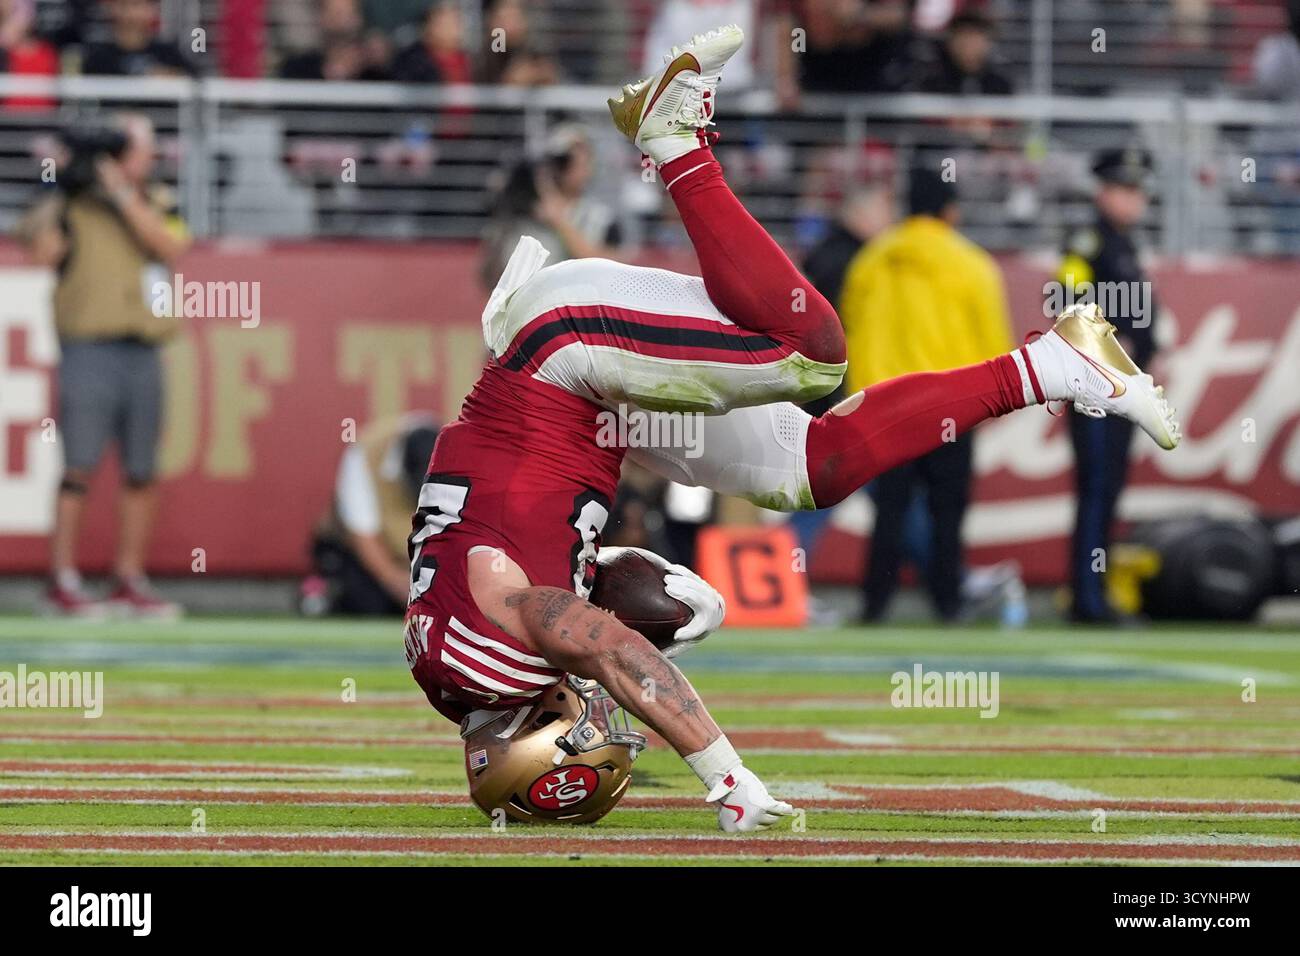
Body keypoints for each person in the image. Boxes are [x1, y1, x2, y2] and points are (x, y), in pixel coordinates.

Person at [405, 25, 1180, 832]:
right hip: (590, 410)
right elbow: (542, 556)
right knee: (811, 467)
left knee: (809, 354)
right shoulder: (456, 671)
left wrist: (724, 772)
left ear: (544, 739)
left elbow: (604, 646)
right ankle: (1053, 367)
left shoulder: (484, 658)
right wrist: (651, 592)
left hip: (561, 355)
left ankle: (673, 140)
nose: (601, 724)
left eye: (587, 738)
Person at [16, 114, 191, 617]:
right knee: (78, 466)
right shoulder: (72, 203)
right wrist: (67, 181)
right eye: (134, 149)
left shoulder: (155, 200)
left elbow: (171, 244)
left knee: (142, 469)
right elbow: (42, 250)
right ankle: (63, 578)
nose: (143, 159)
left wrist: (120, 195)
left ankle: (128, 576)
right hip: (88, 346)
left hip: (144, 348)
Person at [838, 167, 1014, 622]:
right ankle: (948, 603)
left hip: (887, 408)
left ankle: (875, 605)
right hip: (952, 407)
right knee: (948, 513)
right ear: (950, 209)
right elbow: (995, 347)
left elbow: (848, 331)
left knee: (890, 512)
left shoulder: (871, 261)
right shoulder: (974, 265)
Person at [1061, 148, 1161, 624]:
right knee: (1097, 488)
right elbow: (1065, 302)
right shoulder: (1089, 243)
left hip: (1119, 388)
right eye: (1127, 190)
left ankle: (1093, 591)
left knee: (1108, 488)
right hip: (1095, 388)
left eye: (1139, 190)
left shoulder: (1122, 244)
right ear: (1104, 192)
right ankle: (1086, 597)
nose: (1136, 200)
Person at [310, 415, 440, 616]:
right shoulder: (366, 453)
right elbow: (364, 536)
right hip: (364, 553)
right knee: (368, 602)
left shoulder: (459, 451)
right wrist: (402, 585)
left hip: (423, 561)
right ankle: (322, 594)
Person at [479, 123, 619, 289]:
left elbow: (604, 269)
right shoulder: (527, 214)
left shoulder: (601, 218)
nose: (567, 167)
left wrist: (559, 222)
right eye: (563, 160)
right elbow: (490, 280)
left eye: (576, 159)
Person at [80, 0, 196, 77]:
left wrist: (169, 75)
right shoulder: (98, 56)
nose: (132, 13)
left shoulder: (167, 52)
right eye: (126, 5)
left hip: (159, 114)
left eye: (140, 5)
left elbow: (192, 79)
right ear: (113, 9)